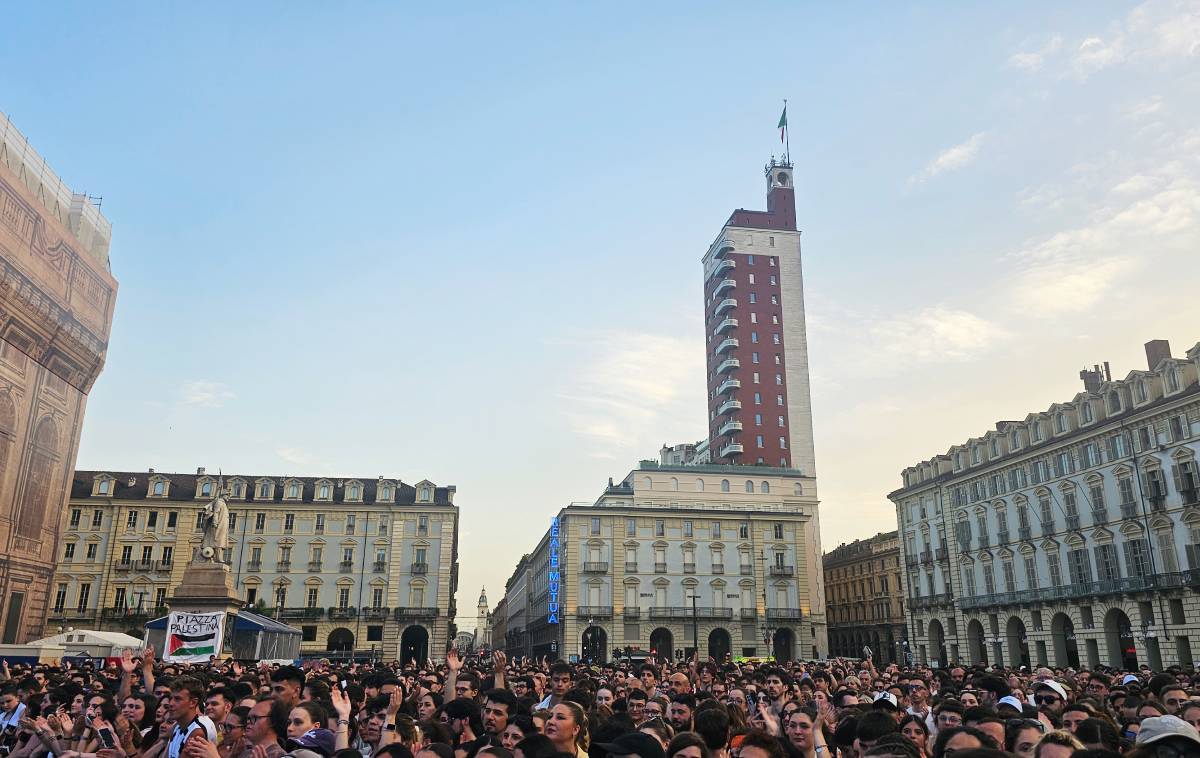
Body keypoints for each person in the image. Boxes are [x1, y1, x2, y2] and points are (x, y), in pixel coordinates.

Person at [169, 678, 218, 758]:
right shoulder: (177, 725)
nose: (170, 703)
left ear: (193, 702)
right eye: (171, 698)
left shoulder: (198, 732)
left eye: (177, 699)